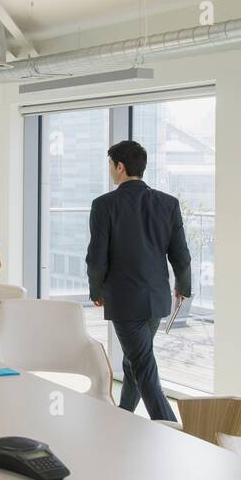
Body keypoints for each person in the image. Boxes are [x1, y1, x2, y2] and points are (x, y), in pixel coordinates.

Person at [85, 140, 191, 422]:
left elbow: (96, 257)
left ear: (119, 167)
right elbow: (181, 254)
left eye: (110, 165)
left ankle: (173, 430)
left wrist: (95, 289)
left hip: (124, 300)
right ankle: (123, 418)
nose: (110, 170)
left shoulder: (104, 205)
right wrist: (184, 286)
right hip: (156, 299)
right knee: (135, 361)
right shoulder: (167, 203)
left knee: (143, 366)